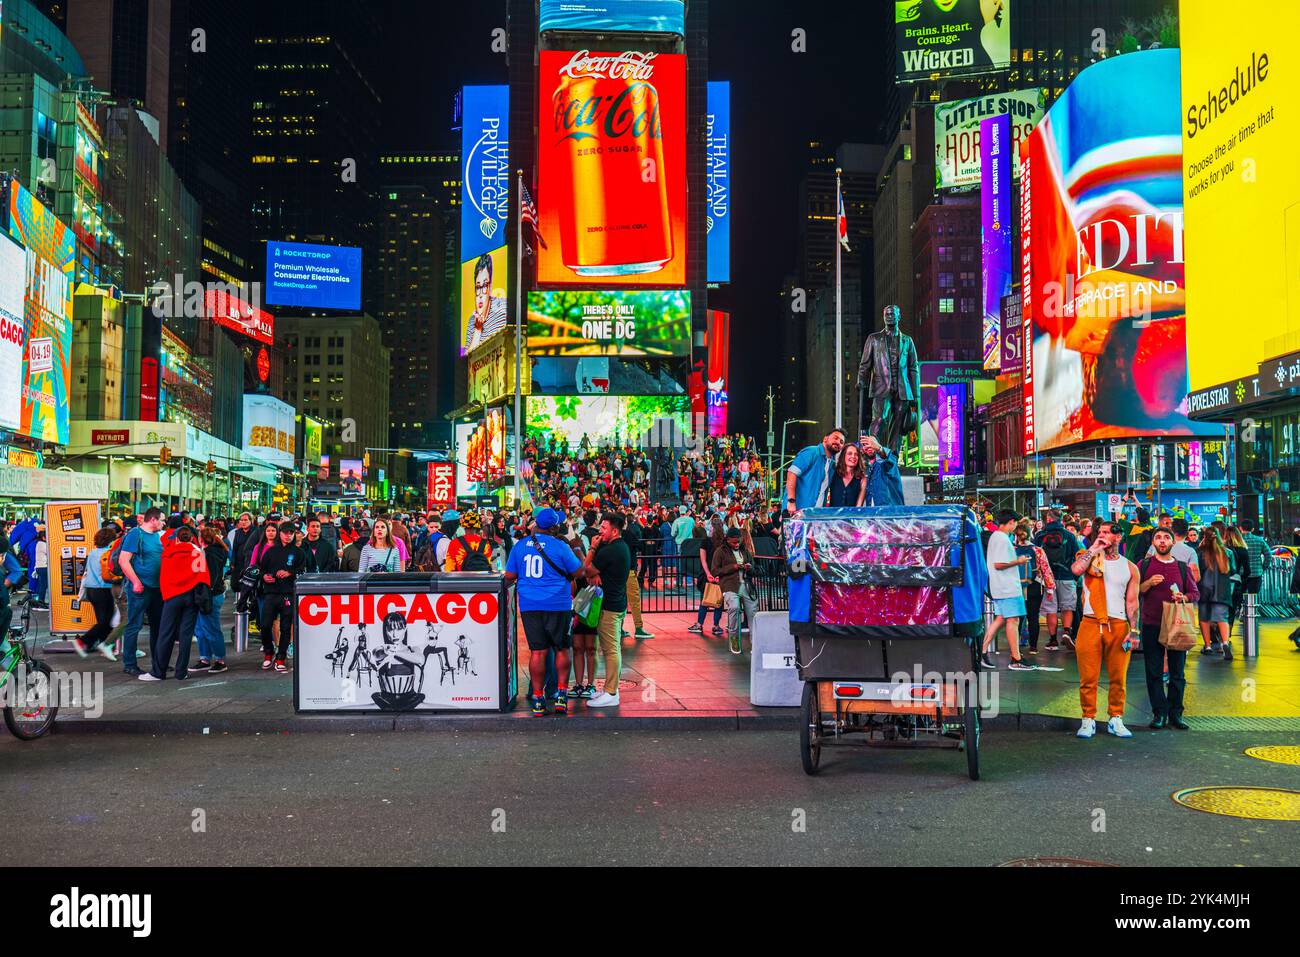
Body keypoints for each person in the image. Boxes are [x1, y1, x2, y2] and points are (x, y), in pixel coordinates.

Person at [504, 508, 583, 717]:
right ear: (555, 527)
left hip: (530, 605)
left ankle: (538, 699)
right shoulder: (561, 546)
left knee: (538, 652)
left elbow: (510, 575)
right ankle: (561, 696)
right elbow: (578, 572)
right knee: (562, 649)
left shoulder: (520, 546)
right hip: (558, 604)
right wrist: (576, 550)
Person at [1070, 521, 1140, 739]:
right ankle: (1088, 719)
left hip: (1118, 624)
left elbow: (1132, 602)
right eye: (1099, 532)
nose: (1102, 535)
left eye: (1107, 533)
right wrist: (1094, 548)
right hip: (1090, 623)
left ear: (1118, 538)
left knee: (1118, 677)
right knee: (1088, 677)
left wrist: (1134, 630)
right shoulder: (1088, 556)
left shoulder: (1130, 567)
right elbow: (1076, 570)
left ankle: (1115, 718)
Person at [1138, 528, 1199, 730]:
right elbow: (1135, 590)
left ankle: (1176, 713)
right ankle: (1159, 713)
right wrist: (1148, 583)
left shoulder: (1182, 568)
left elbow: (1195, 593)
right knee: (1153, 671)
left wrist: (1185, 597)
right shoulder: (1144, 565)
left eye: (1166, 538)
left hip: (1176, 625)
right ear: (1153, 543)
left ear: (1173, 542)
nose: (1162, 541)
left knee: (1177, 672)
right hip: (1151, 623)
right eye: (1158, 538)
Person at [140, 525, 209, 681]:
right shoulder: (197, 553)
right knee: (186, 636)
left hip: (172, 597)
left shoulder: (168, 554)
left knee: (165, 633)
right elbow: (203, 576)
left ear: (176, 538)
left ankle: (159, 671)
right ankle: (181, 672)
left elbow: (164, 577)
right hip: (191, 597)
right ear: (192, 538)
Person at [582, 512, 632, 708]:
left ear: (614, 530)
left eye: (603, 528)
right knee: (612, 649)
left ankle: (611, 692)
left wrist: (593, 547)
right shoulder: (620, 547)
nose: (600, 531)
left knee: (611, 650)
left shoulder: (609, 551)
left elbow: (586, 570)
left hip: (610, 607)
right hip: (616, 603)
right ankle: (611, 689)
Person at [981, 510, 1033, 671]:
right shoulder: (1002, 539)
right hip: (1008, 587)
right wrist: (1019, 561)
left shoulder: (996, 537)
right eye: (1015, 523)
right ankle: (1016, 658)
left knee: (1001, 619)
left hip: (1000, 587)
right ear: (1011, 522)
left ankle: (981, 652)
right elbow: (999, 564)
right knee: (1013, 620)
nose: (1016, 526)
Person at [118, 507, 165, 676]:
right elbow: (124, 560)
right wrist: (136, 581)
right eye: (161, 520)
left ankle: (159, 663)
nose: (163, 523)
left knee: (158, 626)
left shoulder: (158, 536)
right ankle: (129, 663)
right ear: (153, 520)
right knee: (134, 625)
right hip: (140, 587)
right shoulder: (135, 535)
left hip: (157, 588)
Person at [258, 522, 306, 672]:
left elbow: (303, 571)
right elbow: (260, 569)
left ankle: (281, 657)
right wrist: (264, 576)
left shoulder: (299, 553)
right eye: (285, 532)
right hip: (271, 593)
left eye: (291, 533)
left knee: (286, 627)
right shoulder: (270, 551)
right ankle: (268, 652)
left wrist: (290, 573)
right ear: (280, 533)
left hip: (288, 594)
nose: (288, 535)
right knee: (265, 625)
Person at [1033, 509, 1081, 650]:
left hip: (1048, 579)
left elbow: (1036, 555)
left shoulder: (1040, 535)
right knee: (1068, 606)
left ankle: (1053, 640)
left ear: (1048, 519)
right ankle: (1066, 632)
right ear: (1061, 519)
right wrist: (1075, 576)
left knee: (1051, 609)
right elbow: (1077, 556)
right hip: (1067, 576)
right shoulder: (1069, 535)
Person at [73, 527, 120, 661]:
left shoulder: (92, 553)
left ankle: (102, 644)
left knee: (102, 619)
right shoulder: (109, 553)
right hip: (104, 589)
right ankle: (84, 641)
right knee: (106, 620)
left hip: (91, 589)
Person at [711, 525, 758, 655]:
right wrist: (734, 567)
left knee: (752, 614)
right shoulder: (720, 552)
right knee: (734, 608)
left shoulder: (745, 551)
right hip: (730, 585)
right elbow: (715, 571)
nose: (737, 544)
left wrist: (749, 568)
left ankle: (755, 643)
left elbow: (754, 569)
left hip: (747, 586)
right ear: (727, 540)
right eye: (734, 542)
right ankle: (734, 640)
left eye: (739, 541)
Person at [193, 526, 229, 673]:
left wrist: (206, 591)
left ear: (201, 539)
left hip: (209, 595)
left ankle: (219, 659)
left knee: (209, 628)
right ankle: (206, 658)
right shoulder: (219, 551)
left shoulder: (208, 554)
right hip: (213, 594)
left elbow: (210, 576)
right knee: (203, 627)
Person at [785, 428, 846, 513]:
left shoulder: (832, 465)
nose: (838, 442)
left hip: (816, 516)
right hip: (796, 512)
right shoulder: (811, 452)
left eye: (841, 442)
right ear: (825, 439)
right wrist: (791, 502)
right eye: (835, 438)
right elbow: (792, 474)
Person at [1196, 526, 1235, 659]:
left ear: (1204, 537)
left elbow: (1197, 571)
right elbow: (1233, 570)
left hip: (1204, 590)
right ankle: (1225, 643)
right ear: (1219, 536)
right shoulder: (1227, 552)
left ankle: (1207, 646)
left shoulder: (1200, 552)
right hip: (1222, 591)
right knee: (1222, 618)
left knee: (1204, 618)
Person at [1014, 519, 1053, 654]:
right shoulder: (1037, 550)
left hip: (1016, 586)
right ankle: (1033, 647)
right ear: (1030, 533)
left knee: (1016, 617)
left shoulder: (1012, 550)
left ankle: (1016, 647)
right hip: (1035, 586)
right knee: (1033, 616)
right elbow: (1046, 569)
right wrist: (1050, 587)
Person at [464, 252, 508, 352]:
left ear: (490, 287)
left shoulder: (503, 308)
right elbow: (466, 362)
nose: (480, 294)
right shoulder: (472, 321)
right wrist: (477, 329)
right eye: (478, 287)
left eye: (484, 286)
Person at [861, 435, 905, 506]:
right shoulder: (868, 470)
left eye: (872, 443)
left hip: (890, 514)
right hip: (873, 515)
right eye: (865, 444)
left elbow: (888, 458)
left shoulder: (886, 463)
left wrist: (879, 449)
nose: (869, 446)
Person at [828, 443, 867, 507]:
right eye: (849, 453)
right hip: (831, 515)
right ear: (843, 456)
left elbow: (859, 506)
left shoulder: (863, 479)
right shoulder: (833, 473)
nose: (853, 457)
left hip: (852, 515)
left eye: (856, 454)